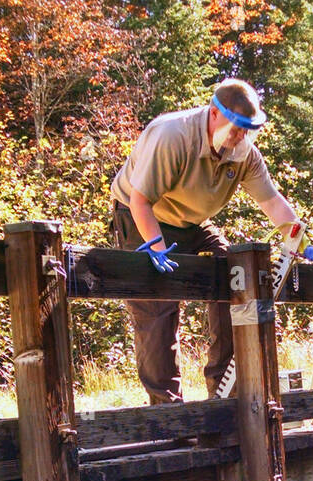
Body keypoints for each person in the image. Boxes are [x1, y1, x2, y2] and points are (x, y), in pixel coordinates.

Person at [109, 79, 301, 404]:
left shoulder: (245, 156)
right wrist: (155, 246)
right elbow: (140, 201)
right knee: (158, 307)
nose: (241, 136)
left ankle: (225, 394)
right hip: (141, 215)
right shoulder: (173, 137)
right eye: (237, 127)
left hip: (191, 223)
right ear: (215, 113)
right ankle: (168, 414)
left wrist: (298, 237)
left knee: (235, 274)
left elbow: (271, 202)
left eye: (249, 130)